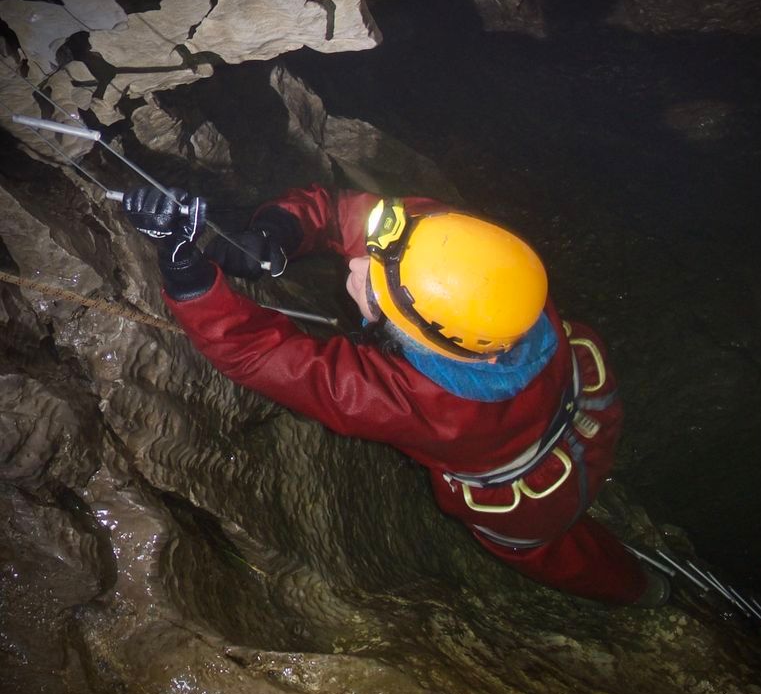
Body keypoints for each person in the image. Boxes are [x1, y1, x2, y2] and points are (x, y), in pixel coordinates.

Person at [122, 184, 671, 607]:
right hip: (588, 406)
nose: (358, 264)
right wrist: (280, 227)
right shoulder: (474, 265)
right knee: (576, 503)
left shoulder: (412, 403)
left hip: (529, 502)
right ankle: (643, 576)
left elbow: (256, 354)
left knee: (554, 554)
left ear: (414, 337)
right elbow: (351, 216)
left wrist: (187, 274)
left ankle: (638, 591)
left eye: (374, 286)